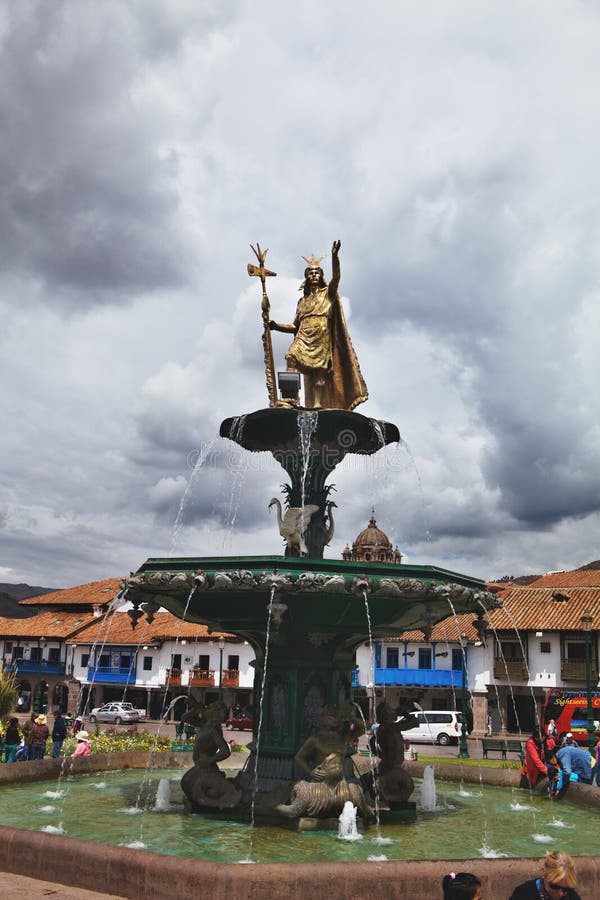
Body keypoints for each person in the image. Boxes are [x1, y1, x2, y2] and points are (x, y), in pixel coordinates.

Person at [269, 241, 368, 410]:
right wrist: (275, 326)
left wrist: (335, 257)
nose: (314, 275)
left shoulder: (328, 294)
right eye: (311, 273)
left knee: (319, 372)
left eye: (316, 272)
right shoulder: (302, 302)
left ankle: (317, 404)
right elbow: (295, 327)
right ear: (307, 276)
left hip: (321, 336)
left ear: (320, 275)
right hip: (304, 335)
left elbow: (336, 278)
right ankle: (290, 398)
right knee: (290, 357)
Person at [509, 850, 582, 899]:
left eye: (566, 889)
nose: (560, 894)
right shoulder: (523, 893)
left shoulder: (572, 897)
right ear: (544, 872)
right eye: (555, 887)